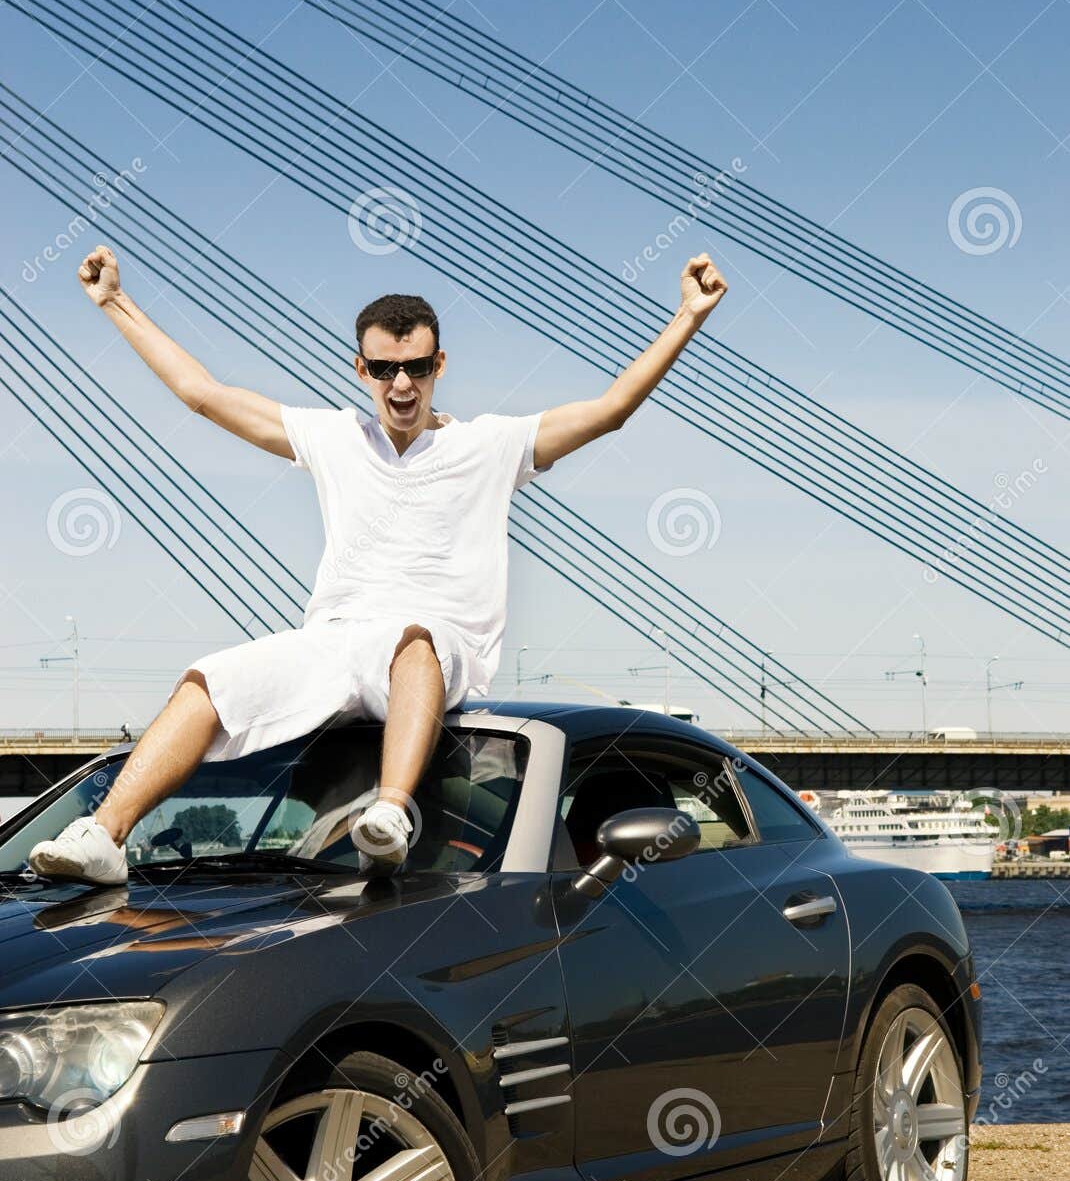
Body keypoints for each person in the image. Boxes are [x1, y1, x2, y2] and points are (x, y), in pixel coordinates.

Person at [30, 244, 728, 886]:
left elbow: (610, 410)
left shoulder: (490, 446)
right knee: (208, 681)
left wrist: (686, 316)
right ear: (362, 369)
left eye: (418, 368)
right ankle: (104, 835)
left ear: (439, 366)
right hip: (334, 640)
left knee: (414, 639)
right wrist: (115, 302)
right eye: (386, 369)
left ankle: (390, 813)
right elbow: (205, 396)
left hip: (435, 649)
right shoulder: (335, 436)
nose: (402, 385)